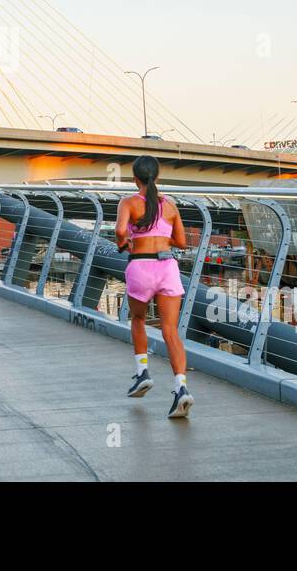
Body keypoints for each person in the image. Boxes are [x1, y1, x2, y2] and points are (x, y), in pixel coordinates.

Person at [115, 155, 194, 419]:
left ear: (135, 178)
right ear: (157, 177)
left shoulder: (128, 203)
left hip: (141, 266)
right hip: (167, 268)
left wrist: (126, 242)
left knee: (138, 319)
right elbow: (181, 242)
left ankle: (143, 374)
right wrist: (162, 238)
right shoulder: (170, 206)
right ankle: (181, 388)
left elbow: (118, 232)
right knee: (171, 331)